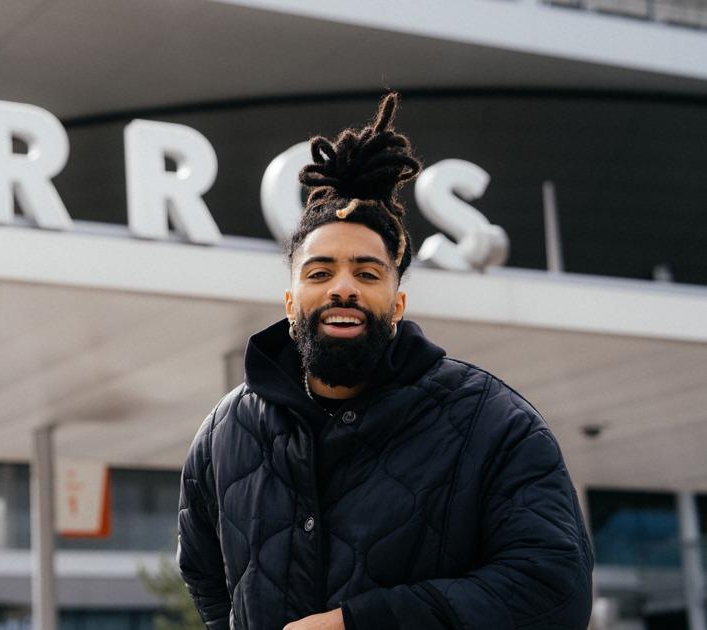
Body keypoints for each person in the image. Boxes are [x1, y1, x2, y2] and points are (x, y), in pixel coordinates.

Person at [176, 93, 593, 630]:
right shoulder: (223, 433)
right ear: (290, 301)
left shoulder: (494, 423)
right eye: (320, 272)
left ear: (397, 305)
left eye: (368, 274)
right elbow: (207, 580)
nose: (343, 289)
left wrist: (357, 624)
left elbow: (554, 591)